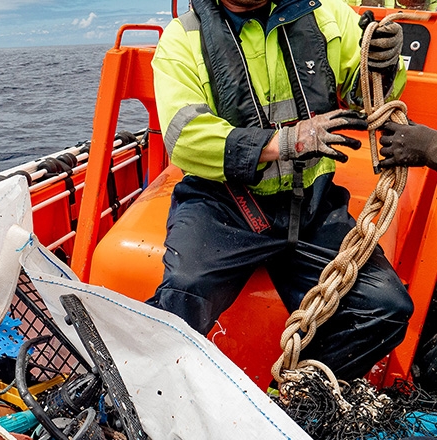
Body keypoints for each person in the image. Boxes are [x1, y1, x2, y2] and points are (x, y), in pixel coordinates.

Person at [146, 0, 414, 380]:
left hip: (311, 206)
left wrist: (383, 68)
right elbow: (185, 138)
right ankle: (132, 397)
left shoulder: (328, 15)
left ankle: (294, 399)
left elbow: (371, 97)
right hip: (224, 205)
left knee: (385, 306)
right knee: (182, 293)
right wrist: (284, 142)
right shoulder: (183, 38)